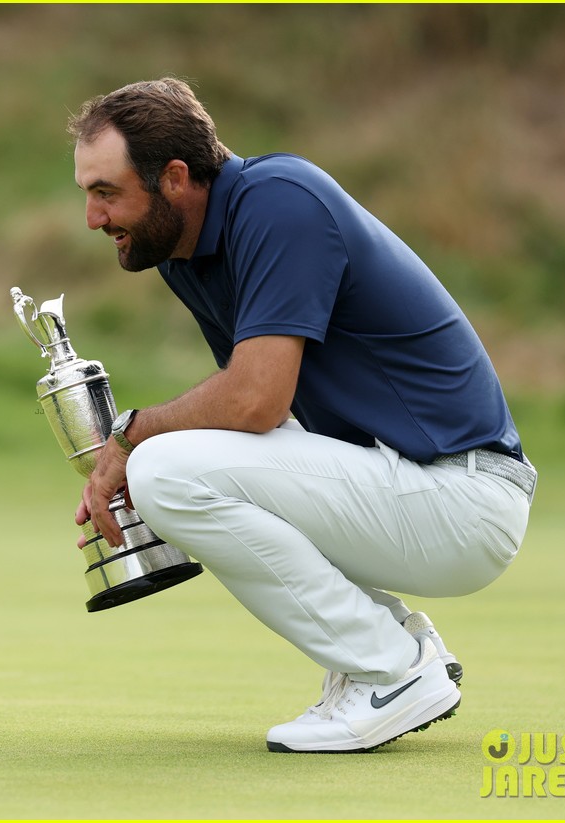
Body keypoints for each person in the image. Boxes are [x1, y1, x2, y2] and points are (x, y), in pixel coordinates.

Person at [67, 78, 536, 753]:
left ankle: (393, 673)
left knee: (166, 469)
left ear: (174, 178)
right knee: (168, 471)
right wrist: (154, 468)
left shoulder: (278, 200)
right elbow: (263, 422)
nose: (92, 217)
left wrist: (133, 438)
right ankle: (393, 641)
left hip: (463, 496)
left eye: (106, 192)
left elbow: (256, 399)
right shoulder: (184, 254)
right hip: (404, 485)